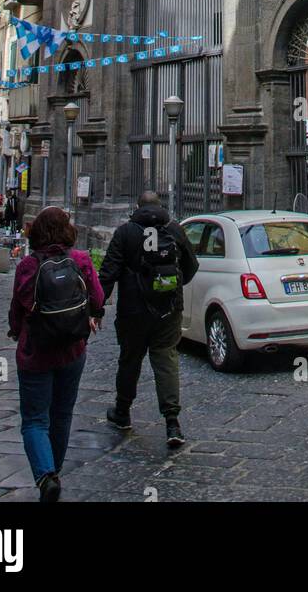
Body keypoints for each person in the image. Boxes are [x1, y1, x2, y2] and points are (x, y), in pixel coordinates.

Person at [8, 206, 104, 502]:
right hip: (72, 351)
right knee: (62, 415)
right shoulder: (81, 260)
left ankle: (46, 474)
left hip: (35, 352)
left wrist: (16, 331)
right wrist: (93, 316)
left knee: (35, 419)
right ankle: (54, 472)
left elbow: (17, 309)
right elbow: (98, 299)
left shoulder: (28, 266)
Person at [99, 192, 198, 450]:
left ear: (137, 207)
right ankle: (172, 422)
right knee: (166, 360)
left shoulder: (125, 233)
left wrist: (95, 308)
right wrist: (171, 287)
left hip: (133, 311)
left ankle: (122, 411)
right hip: (168, 309)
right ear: (160, 206)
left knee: (130, 359)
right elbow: (191, 265)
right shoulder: (174, 230)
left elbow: (108, 272)